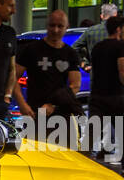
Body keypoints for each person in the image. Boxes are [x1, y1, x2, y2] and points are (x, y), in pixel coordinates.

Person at [15, 9, 82, 145]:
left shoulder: (70, 54)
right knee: (32, 157)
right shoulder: (31, 50)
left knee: (66, 159)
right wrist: (22, 104)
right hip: (34, 114)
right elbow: (12, 77)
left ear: (66, 28)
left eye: (60, 26)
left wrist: (53, 105)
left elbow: (75, 85)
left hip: (62, 115)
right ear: (46, 25)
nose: (55, 30)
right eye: (52, 25)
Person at [88, 16, 124, 179]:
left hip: (96, 95)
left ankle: (82, 166)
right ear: (118, 29)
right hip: (115, 96)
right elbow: (122, 71)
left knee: (92, 134)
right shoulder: (120, 46)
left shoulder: (97, 47)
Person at [74, 2, 124, 69]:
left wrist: (83, 64)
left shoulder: (90, 31)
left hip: (95, 73)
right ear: (115, 15)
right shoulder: (120, 30)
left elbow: (74, 48)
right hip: (116, 73)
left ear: (101, 16)